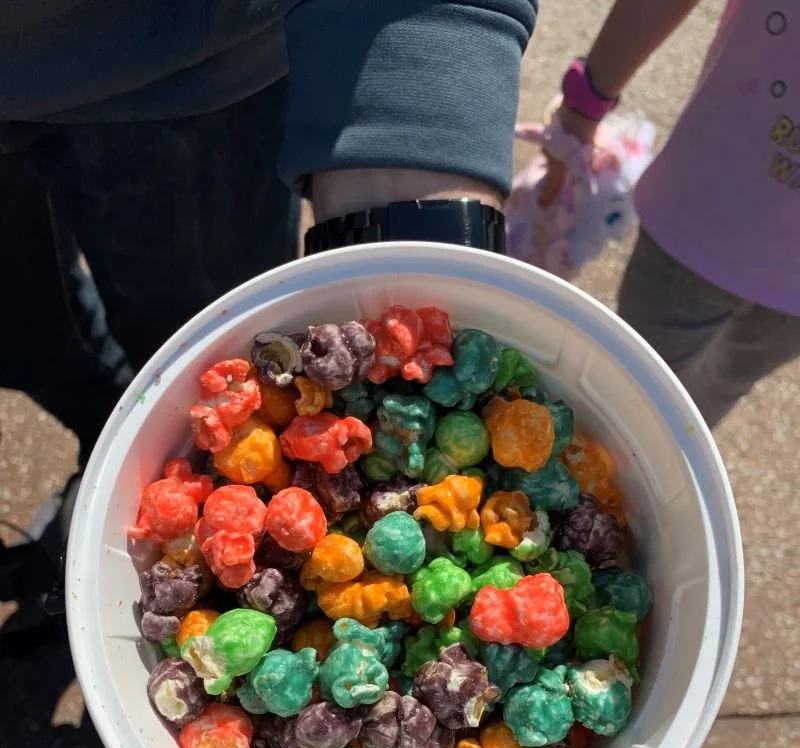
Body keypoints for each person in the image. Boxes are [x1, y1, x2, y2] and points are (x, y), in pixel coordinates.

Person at [0, 0, 538, 623]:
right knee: (26, 342)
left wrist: (420, 100)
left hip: (185, 73)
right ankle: (99, 458)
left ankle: (102, 496)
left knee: (191, 324)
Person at [541, 0, 799, 429]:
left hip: (714, 228)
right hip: (701, 221)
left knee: (698, 392)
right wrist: (584, 101)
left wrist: (584, 104)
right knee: (622, 389)